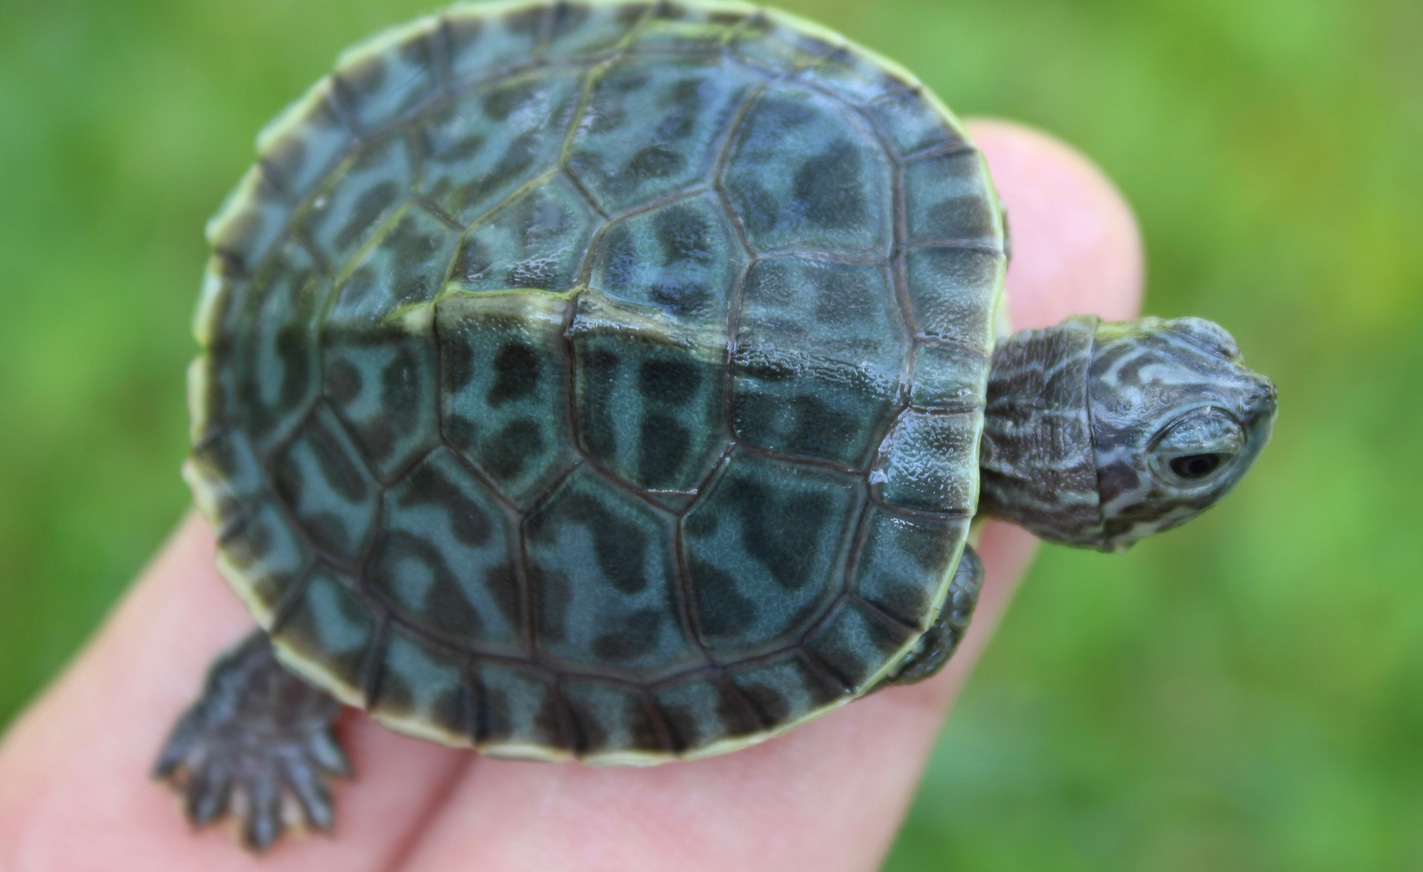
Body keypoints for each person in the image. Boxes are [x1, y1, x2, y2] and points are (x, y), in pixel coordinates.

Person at [0, 121, 1145, 871]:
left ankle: (302, 627)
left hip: (421, 227)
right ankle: (278, 665)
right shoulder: (900, 596)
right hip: (417, 309)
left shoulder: (927, 203)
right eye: (1182, 463)